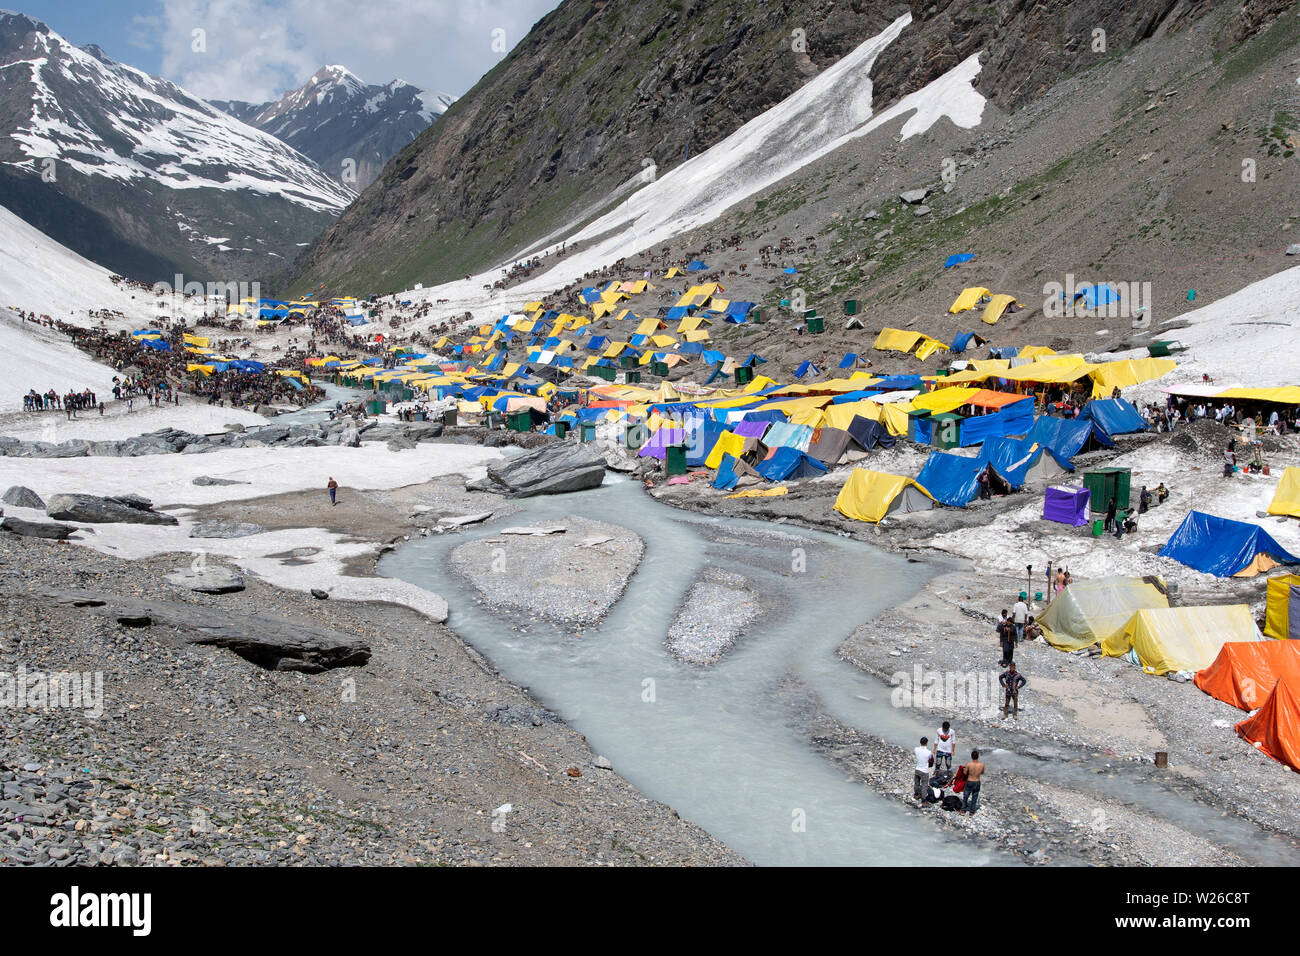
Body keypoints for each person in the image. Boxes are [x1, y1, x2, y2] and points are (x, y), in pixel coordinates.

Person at [962, 750, 985, 814]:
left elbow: (965, 773)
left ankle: (963, 810)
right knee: (974, 797)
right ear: (978, 756)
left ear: (971, 756)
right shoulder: (981, 764)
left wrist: (964, 770)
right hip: (977, 781)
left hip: (970, 780)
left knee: (966, 796)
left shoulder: (969, 764)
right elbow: (982, 772)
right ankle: (972, 812)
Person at [913, 737, 934, 804]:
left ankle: (916, 794)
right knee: (924, 785)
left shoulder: (916, 749)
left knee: (917, 783)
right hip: (924, 770)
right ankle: (923, 800)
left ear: (920, 742)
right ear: (926, 743)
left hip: (917, 768)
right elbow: (931, 761)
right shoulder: (929, 752)